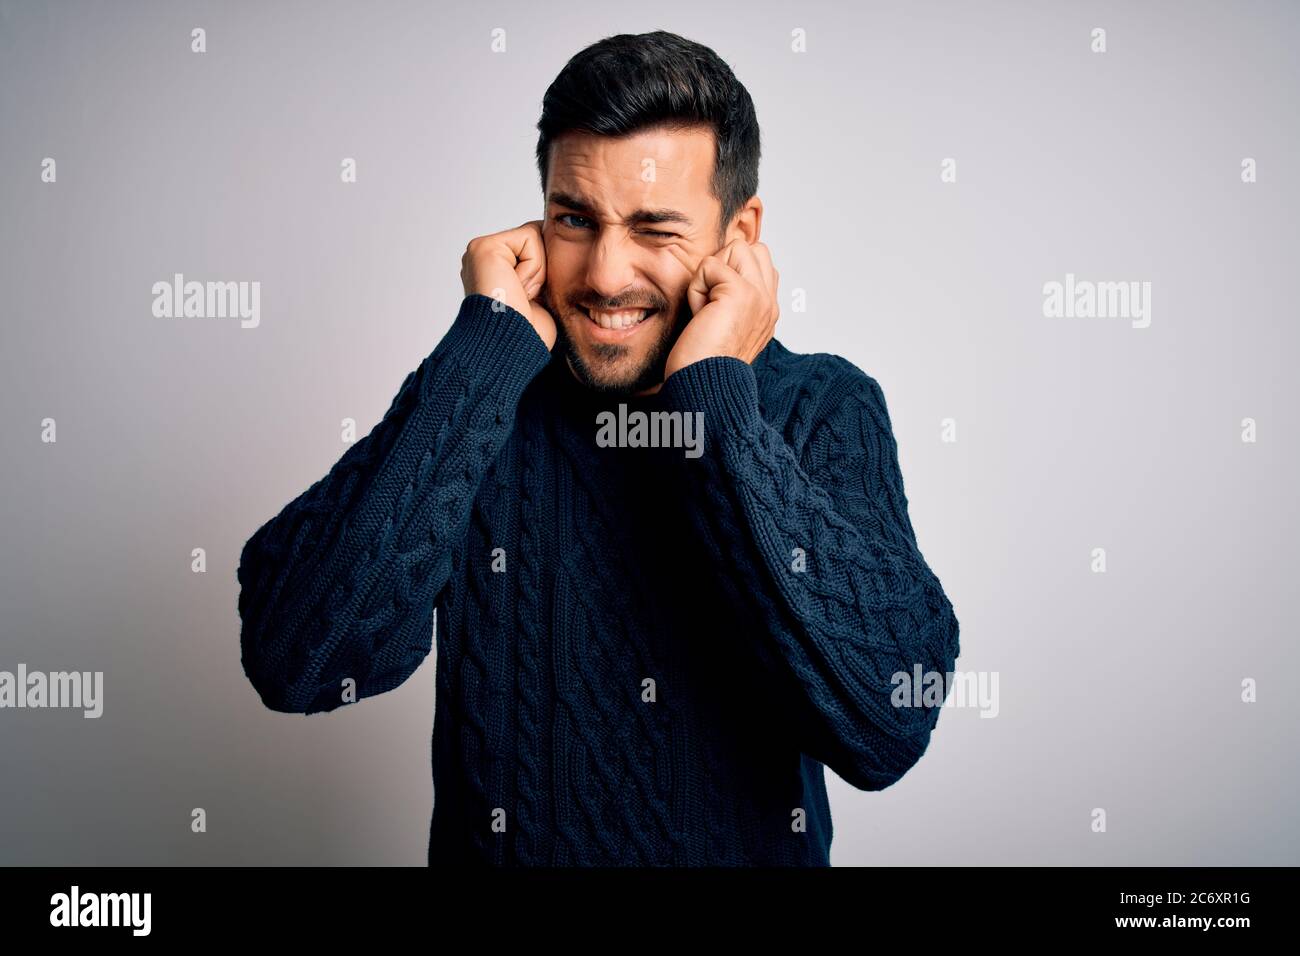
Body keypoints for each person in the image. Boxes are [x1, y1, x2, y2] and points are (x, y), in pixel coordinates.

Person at [236, 30, 961, 866]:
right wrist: (482, 353)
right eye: (576, 220)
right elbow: (297, 659)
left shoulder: (822, 407)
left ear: (740, 233)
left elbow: (890, 725)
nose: (606, 273)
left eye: (655, 228)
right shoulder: (482, 397)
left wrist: (715, 402)